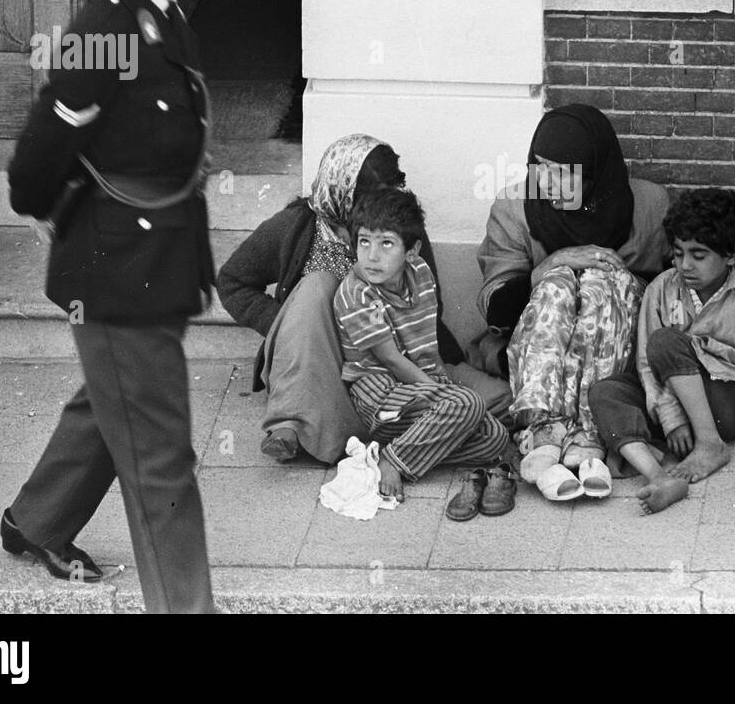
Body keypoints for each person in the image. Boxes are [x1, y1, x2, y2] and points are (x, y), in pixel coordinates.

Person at [1, 0, 216, 612]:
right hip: (116, 266)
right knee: (161, 459)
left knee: (116, 396)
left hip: (152, 255)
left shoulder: (159, 9)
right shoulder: (104, 30)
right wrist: (45, 207)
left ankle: (39, 518)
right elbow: (34, 160)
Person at [217, 135, 510, 463]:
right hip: (318, 363)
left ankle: (389, 436)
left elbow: (428, 308)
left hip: (391, 363)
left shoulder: (396, 226)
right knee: (316, 286)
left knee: (500, 400)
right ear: (342, 193)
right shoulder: (294, 226)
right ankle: (292, 423)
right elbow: (232, 281)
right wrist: (288, 326)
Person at [474, 104, 670, 501]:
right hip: (542, 341)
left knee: (600, 280)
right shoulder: (516, 206)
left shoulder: (649, 207)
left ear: (596, 169)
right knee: (559, 281)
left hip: (614, 344)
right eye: (541, 167)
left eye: (564, 172)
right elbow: (497, 306)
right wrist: (551, 263)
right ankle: (544, 431)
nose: (548, 182)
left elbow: (669, 293)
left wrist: (612, 282)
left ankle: (591, 432)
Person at [590, 189, 735, 514]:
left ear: (733, 254)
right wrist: (671, 415)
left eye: (698, 255)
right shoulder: (662, 289)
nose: (685, 265)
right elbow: (647, 364)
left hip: (725, 401)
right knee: (605, 392)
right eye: (678, 253)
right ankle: (660, 477)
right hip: (670, 401)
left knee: (666, 340)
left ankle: (709, 444)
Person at [334, 189, 513, 510]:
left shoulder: (420, 273)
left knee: (495, 438)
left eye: (386, 243)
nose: (372, 255)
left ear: (412, 251)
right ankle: (394, 459)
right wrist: (442, 395)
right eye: (364, 241)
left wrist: (440, 390)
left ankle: (404, 443)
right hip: (380, 394)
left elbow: (423, 346)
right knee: (468, 403)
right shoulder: (357, 293)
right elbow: (389, 358)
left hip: (419, 382)